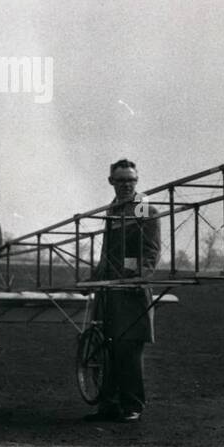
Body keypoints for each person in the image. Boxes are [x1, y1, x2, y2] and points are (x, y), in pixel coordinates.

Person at [85, 158, 161, 423]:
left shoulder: (144, 208)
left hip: (131, 291)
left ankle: (132, 406)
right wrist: (93, 279)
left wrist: (137, 277)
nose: (127, 185)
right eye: (121, 181)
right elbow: (107, 252)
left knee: (129, 349)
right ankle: (108, 405)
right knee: (107, 348)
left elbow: (150, 251)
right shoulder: (112, 210)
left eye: (131, 180)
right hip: (110, 291)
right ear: (111, 182)